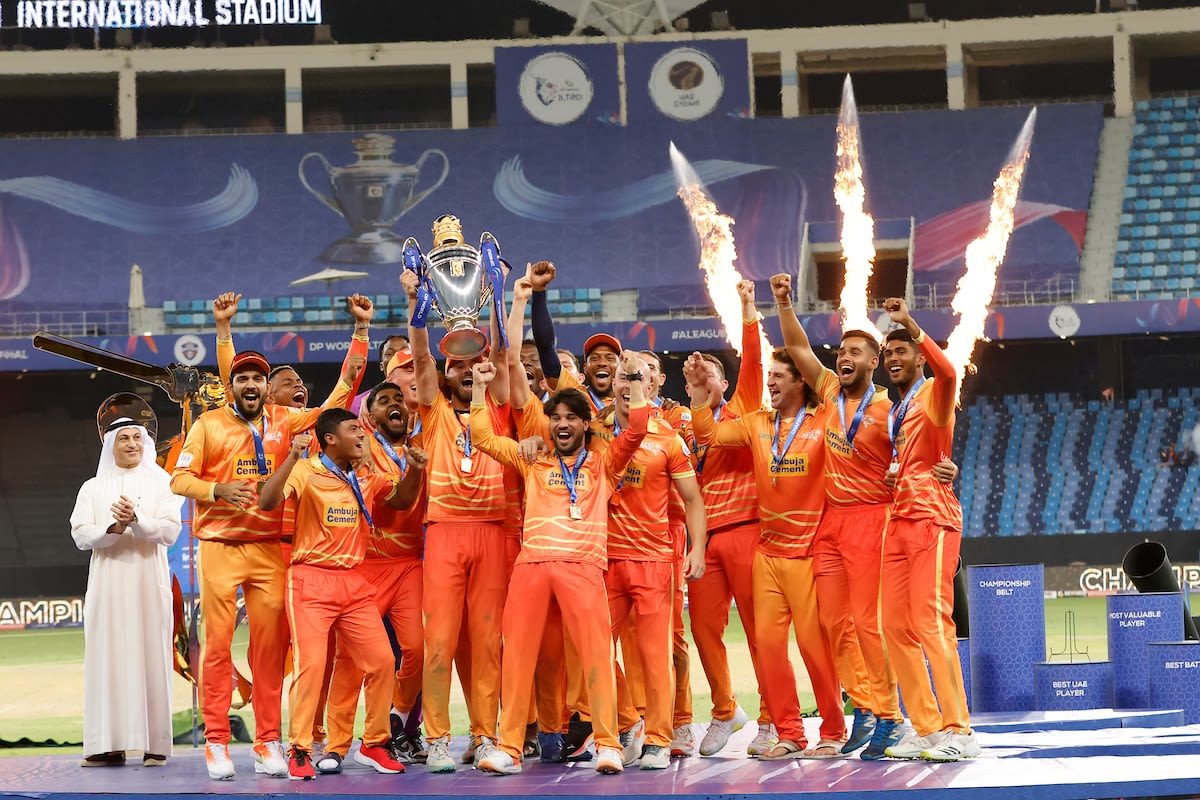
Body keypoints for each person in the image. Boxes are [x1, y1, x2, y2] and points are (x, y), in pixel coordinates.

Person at [170, 350, 362, 781]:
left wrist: (357, 350)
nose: (251, 384)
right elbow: (179, 479)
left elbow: (332, 404)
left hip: (267, 550)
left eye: (258, 377)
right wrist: (218, 490)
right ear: (232, 386)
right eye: (243, 378)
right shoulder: (208, 425)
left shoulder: (283, 419)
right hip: (220, 546)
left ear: (263, 385)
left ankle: (267, 741)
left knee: (270, 652)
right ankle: (216, 742)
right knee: (217, 648)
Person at [468, 356, 651, 775]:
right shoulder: (532, 459)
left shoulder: (604, 463)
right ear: (547, 424)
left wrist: (636, 377)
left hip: (583, 567)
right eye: (555, 417)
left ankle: (608, 744)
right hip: (530, 566)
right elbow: (482, 436)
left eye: (571, 417)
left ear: (586, 425)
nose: (562, 423)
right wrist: (479, 387)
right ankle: (509, 750)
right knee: (516, 657)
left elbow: (637, 427)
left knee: (595, 658)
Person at [686, 347, 845, 761]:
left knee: (813, 647)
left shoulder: (824, 420)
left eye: (779, 376)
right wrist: (701, 395)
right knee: (770, 649)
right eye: (769, 376)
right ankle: (790, 733)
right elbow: (709, 436)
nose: (770, 383)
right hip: (768, 555)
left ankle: (833, 731)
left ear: (800, 382)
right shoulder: (757, 424)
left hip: (808, 553)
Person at [258, 408, 426, 779]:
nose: (362, 434)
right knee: (312, 666)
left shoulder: (366, 474)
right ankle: (300, 749)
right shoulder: (306, 470)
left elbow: (401, 501)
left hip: (353, 580)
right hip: (311, 579)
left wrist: (414, 469)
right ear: (330, 438)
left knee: (383, 661)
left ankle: (374, 743)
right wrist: (291, 458)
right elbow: (267, 501)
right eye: (354, 429)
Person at [400, 267, 510, 773]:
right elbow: (421, 356)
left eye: (476, 362)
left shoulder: (501, 411)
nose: (468, 370)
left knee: (487, 643)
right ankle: (438, 738)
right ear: (446, 375)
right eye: (458, 365)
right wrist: (414, 302)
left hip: (492, 532)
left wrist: (503, 293)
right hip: (443, 533)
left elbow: (506, 350)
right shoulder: (434, 412)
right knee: (439, 640)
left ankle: (486, 737)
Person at [877, 298, 978, 762]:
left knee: (931, 621)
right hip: (898, 519)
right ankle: (928, 727)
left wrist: (911, 326)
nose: (893, 359)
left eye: (901, 352)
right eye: (888, 354)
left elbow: (952, 374)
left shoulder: (935, 393)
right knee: (894, 626)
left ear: (918, 357)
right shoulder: (898, 411)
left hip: (933, 518)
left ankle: (959, 730)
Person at [679, 280, 777, 758]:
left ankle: (774, 718)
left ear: (724, 384)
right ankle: (724, 710)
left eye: (710, 378)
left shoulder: (743, 409)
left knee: (761, 631)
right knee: (701, 629)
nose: (700, 383)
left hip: (745, 532)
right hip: (700, 539)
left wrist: (746, 307)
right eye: (694, 380)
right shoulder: (683, 423)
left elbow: (754, 361)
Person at [323, 382, 429, 770]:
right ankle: (336, 744)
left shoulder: (420, 442)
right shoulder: (362, 446)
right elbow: (395, 502)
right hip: (366, 565)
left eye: (398, 399)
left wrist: (416, 468)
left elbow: (408, 499)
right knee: (350, 659)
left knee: (417, 648)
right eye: (383, 401)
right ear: (369, 416)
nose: (394, 405)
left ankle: (397, 717)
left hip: (408, 564)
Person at [71, 418, 183, 768]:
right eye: (124, 439)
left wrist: (138, 520)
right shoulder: (92, 488)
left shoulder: (163, 482)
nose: (132, 444)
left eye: (137, 437)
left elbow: (169, 532)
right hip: (107, 585)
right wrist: (114, 527)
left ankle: (155, 745)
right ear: (111, 446)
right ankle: (108, 745)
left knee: (151, 656)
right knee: (108, 657)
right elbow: (81, 535)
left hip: (148, 582)